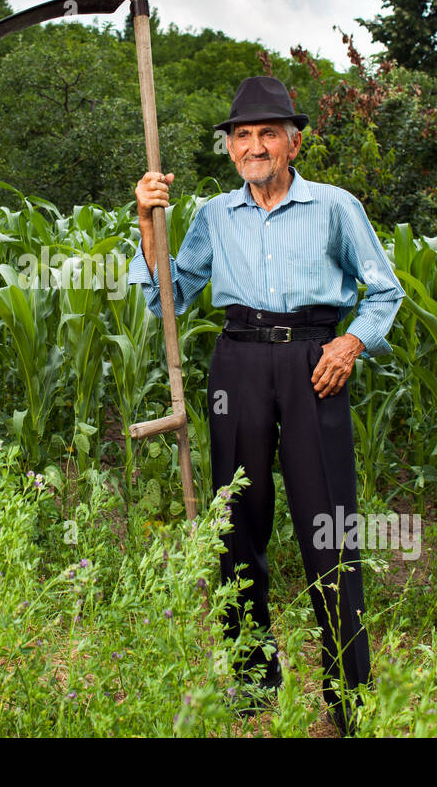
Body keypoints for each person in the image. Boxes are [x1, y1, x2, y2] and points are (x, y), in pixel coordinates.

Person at [127, 75, 404, 735]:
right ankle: (254, 682)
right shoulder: (214, 217)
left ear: (293, 142)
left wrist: (351, 343)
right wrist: (146, 222)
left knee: (328, 526)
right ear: (229, 147)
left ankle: (347, 696)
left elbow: (384, 291)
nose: (255, 145)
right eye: (242, 135)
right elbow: (164, 294)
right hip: (239, 362)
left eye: (268, 134)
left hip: (316, 363)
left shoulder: (336, 206)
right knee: (237, 524)